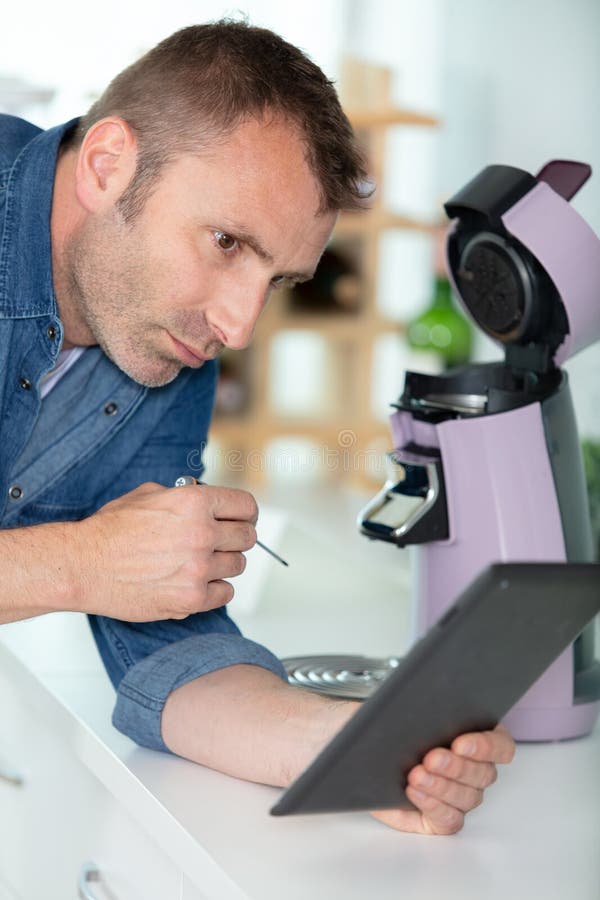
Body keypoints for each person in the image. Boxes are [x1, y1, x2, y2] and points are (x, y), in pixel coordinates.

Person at [0, 20, 514, 836]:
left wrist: (351, 750)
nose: (237, 328)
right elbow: (94, 570)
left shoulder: (165, 343)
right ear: (106, 166)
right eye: (226, 241)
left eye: (277, 279)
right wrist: (78, 563)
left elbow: (169, 643)